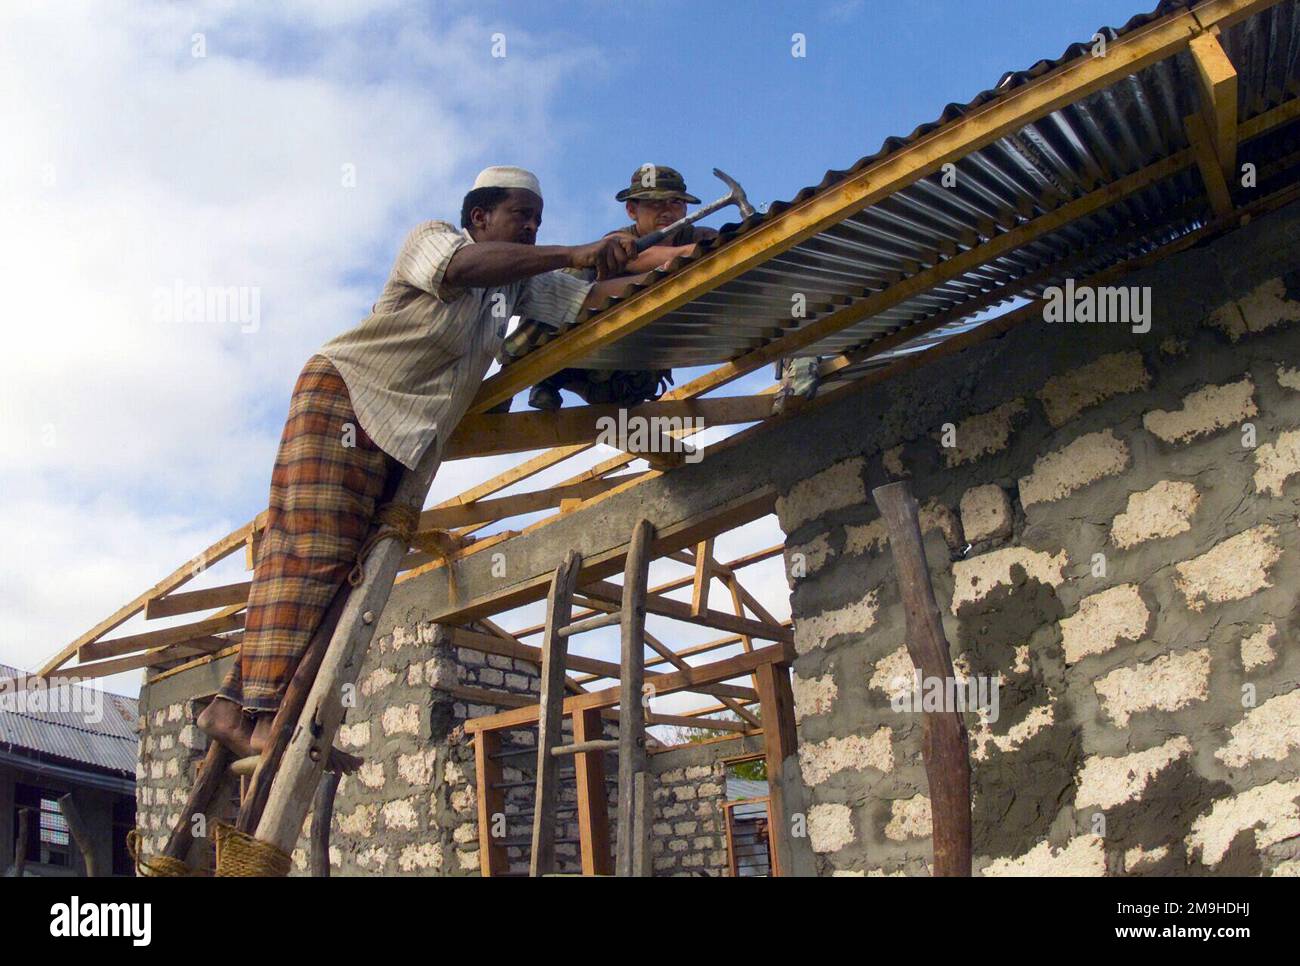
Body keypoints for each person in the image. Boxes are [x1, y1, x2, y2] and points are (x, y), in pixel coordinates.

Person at [197, 166, 638, 766]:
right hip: (345, 400)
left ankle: (242, 708)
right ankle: (256, 714)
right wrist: (577, 250)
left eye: (538, 221)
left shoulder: (511, 291)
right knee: (311, 551)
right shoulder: (434, 241)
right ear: (479, 218)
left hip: (395, 439)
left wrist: (655, 257)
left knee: (339, 568)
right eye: (520, 218)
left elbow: (591, 296)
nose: (532, 229)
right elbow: (463, 270)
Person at [516, 164, 719, 411]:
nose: (667, 210)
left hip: (631, 375)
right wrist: (690, 254)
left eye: (675, 202)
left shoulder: (700, 236)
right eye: (655, 203)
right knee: (573, 276)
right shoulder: (617, 239)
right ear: (632, 210)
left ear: (686, 208)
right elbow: (638, 256)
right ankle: (539, 372)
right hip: (587, 361)